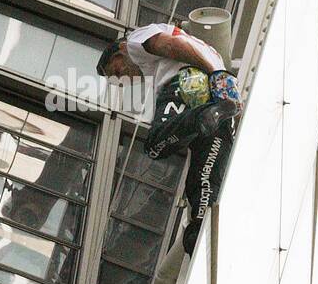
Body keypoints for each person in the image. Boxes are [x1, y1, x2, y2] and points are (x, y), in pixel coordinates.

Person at [98, 23, 241, 255]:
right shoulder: (207, 50)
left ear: (119, 52)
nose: (122, 79)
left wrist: (215, 74)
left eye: (116, 72)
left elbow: (172, 45)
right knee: (205, 171)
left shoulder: (134, 42)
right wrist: (219, 78)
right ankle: (199, 223)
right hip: (215, 95)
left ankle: (202, 118)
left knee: (156, 144)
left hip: (184, 83)